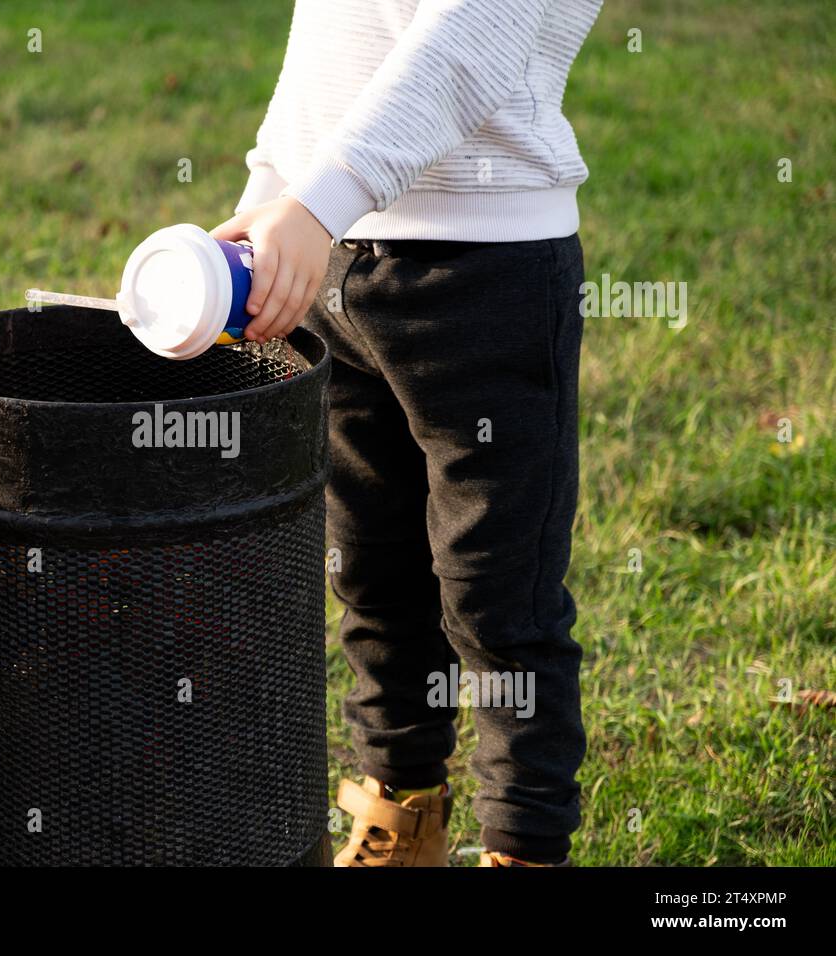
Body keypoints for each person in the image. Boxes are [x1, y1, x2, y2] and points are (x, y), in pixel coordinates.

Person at [211, 0, 603, 867]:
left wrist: (314, 204)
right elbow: (332, 38)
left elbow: (471, 37)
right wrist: (269, 198)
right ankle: (403, 817)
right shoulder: (310, 218)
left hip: (486, 273)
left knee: (499, 597)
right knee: (370, 571)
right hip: (329, 260)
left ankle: (525, 846)